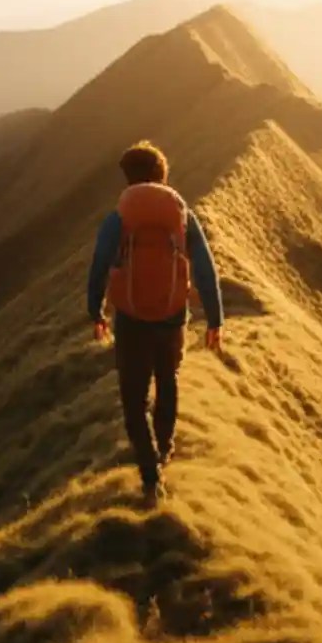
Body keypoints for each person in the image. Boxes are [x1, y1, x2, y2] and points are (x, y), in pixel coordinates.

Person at [87, 141, 223, 506]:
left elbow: (99, 267)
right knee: (168, 380)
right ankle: (164, 449)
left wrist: (96, 311)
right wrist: (215, 319)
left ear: (128, 178)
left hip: (130, 320)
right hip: (172, 317)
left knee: (133, 400)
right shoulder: (181, 214)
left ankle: (150, 476)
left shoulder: (119, 218)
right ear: (163, 175)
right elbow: (206, 269)